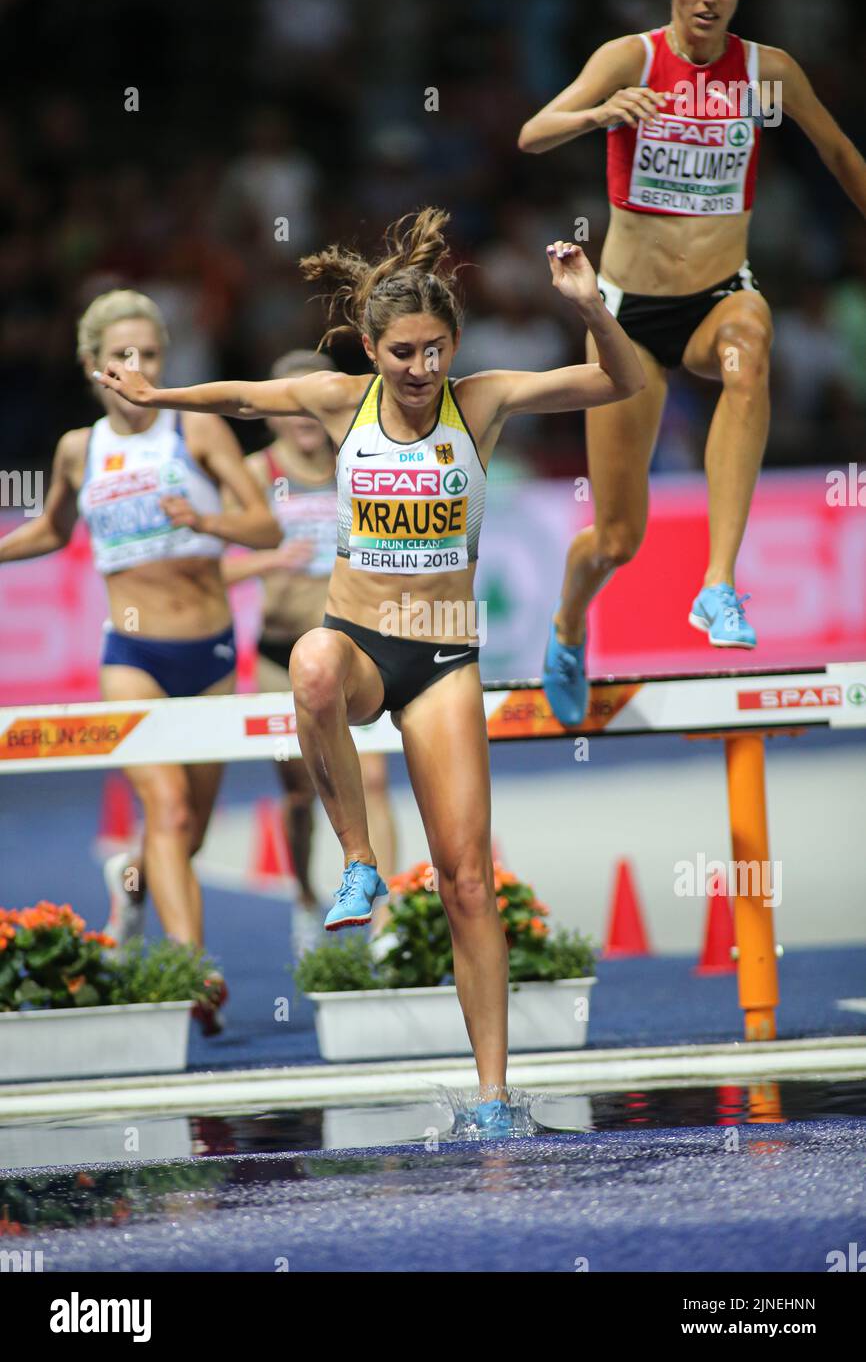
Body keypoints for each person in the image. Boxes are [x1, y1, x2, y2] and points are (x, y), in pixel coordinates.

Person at [93, 208, 644, 1129]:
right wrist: (161, 401)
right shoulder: (337, 399)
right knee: (309, 662)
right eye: (401, 353)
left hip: (441, 659)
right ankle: (357, 863)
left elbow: (620, 381)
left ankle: (495, 1096)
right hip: (357, 645)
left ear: (455, 343)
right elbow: (240, 398)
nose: (421, 371)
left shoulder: (487, 399)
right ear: (368, 348)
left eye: (435, 350)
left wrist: (592, 307)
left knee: (468, 882)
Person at [518, 0, 866, 723]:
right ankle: (569, 624)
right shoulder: (629, 60)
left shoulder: (765, 72)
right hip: (626, 322)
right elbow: (533, 133)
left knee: (752, 339)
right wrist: (603, 111)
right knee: (615, 541)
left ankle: (716, 584)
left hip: (716, 299)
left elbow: (839, 153)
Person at [0, 290, 280, 1030]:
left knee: (186, 835)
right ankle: (194, 973)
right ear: (93, 367)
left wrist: (206, 519)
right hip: (131, 654)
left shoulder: (198, 428)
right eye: (122, 356)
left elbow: (264, 525)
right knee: (168, 807)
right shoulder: (78, 449)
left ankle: (129, 888)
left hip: (212, 654)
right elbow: (53, 531)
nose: (138, 368)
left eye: (150, 355)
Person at [221, 348, 397, 957]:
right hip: (278, 654)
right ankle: (300, 896)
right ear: (273, 412)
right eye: (288, 399)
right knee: (301, 788)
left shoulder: (361, 458)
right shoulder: (252, 471)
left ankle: (389, 920)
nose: (302, 414)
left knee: (372, 776)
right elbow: (204, 570)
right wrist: (268, 560)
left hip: (351, 647)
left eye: (311, 399)